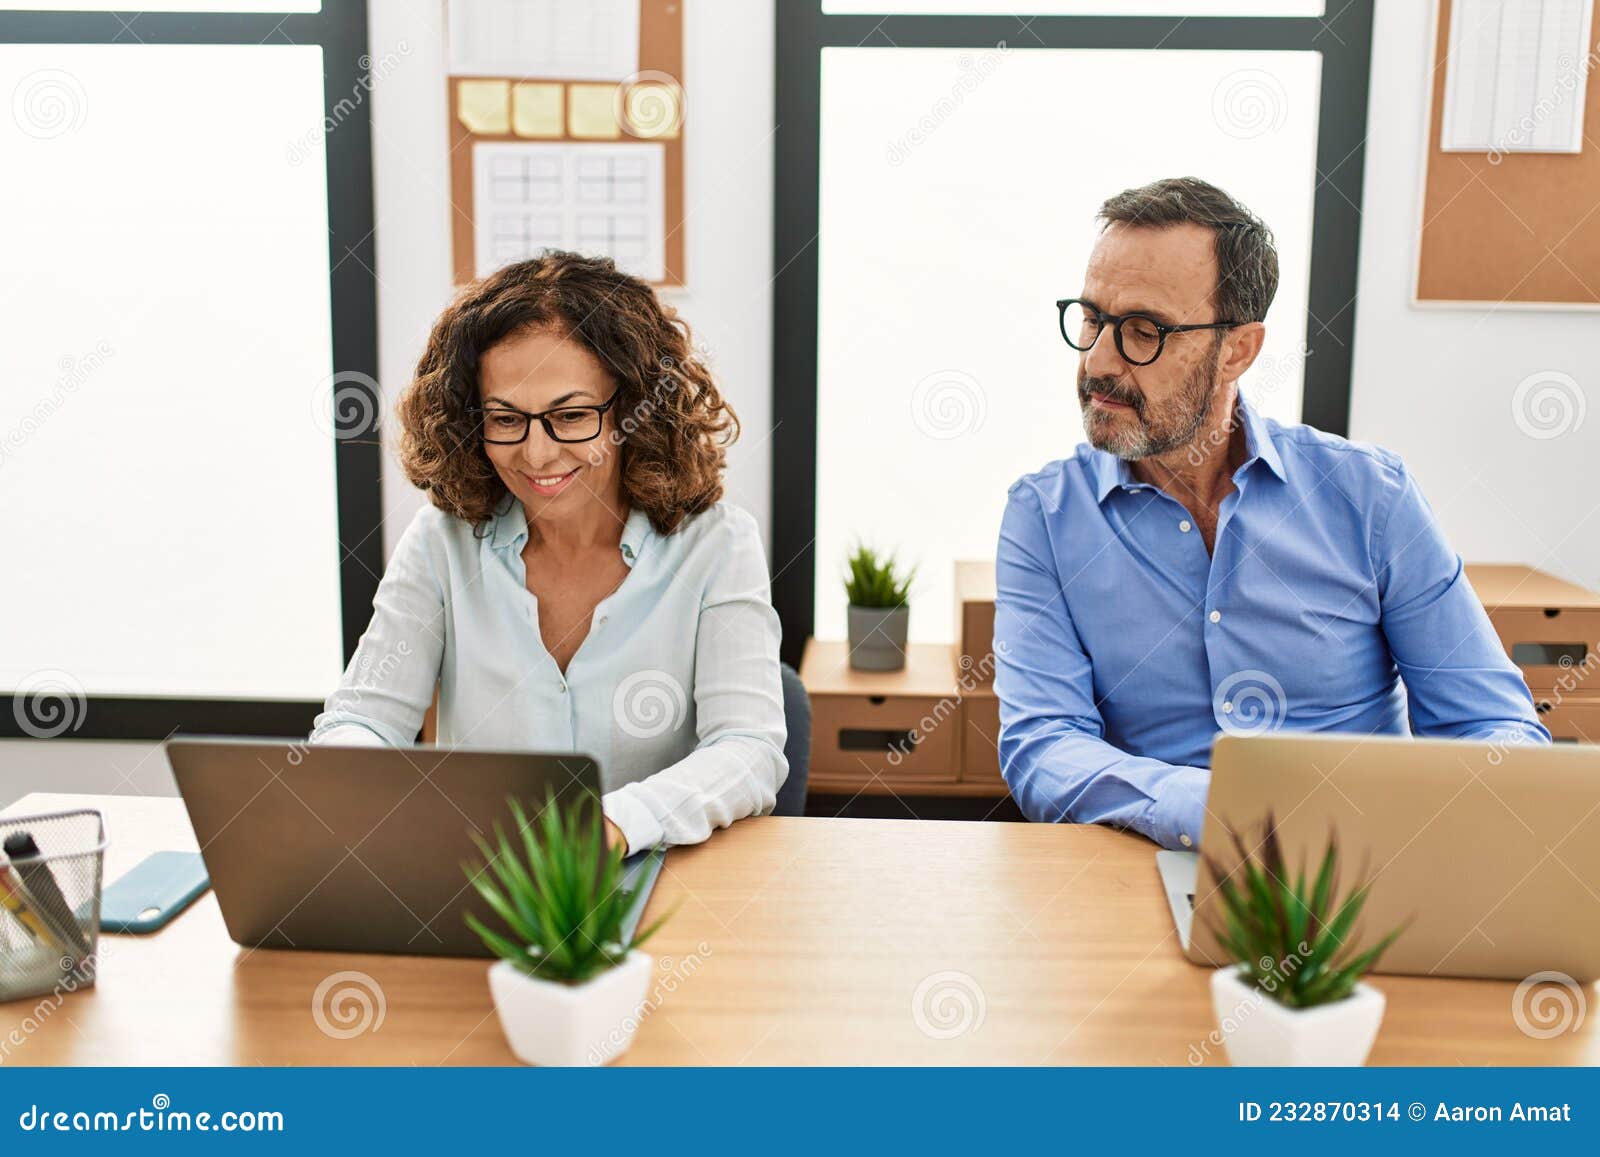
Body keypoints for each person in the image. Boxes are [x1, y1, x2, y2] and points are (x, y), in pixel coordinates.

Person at [994, 176, 1546, 851]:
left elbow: (1491, 725)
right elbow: (1044, 745)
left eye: (1143, 331)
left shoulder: (1371, 496)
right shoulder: (1044, 517)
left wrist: (1417, 829)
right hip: (1154, 864)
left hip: (1362, 866)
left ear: (1239, 349)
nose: (1099, 360)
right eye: (1091, 319)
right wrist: (1219, 810)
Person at [311, 251, 787, 853]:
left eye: (570, 416)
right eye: (505, 419)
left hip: (659, 883)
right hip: (481, 887)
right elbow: (363, 718)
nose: (536, 454)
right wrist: (345, 776)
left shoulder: (717, 545)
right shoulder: (442, 542)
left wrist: (616, 825)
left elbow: (748, 746)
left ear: (635, 408)